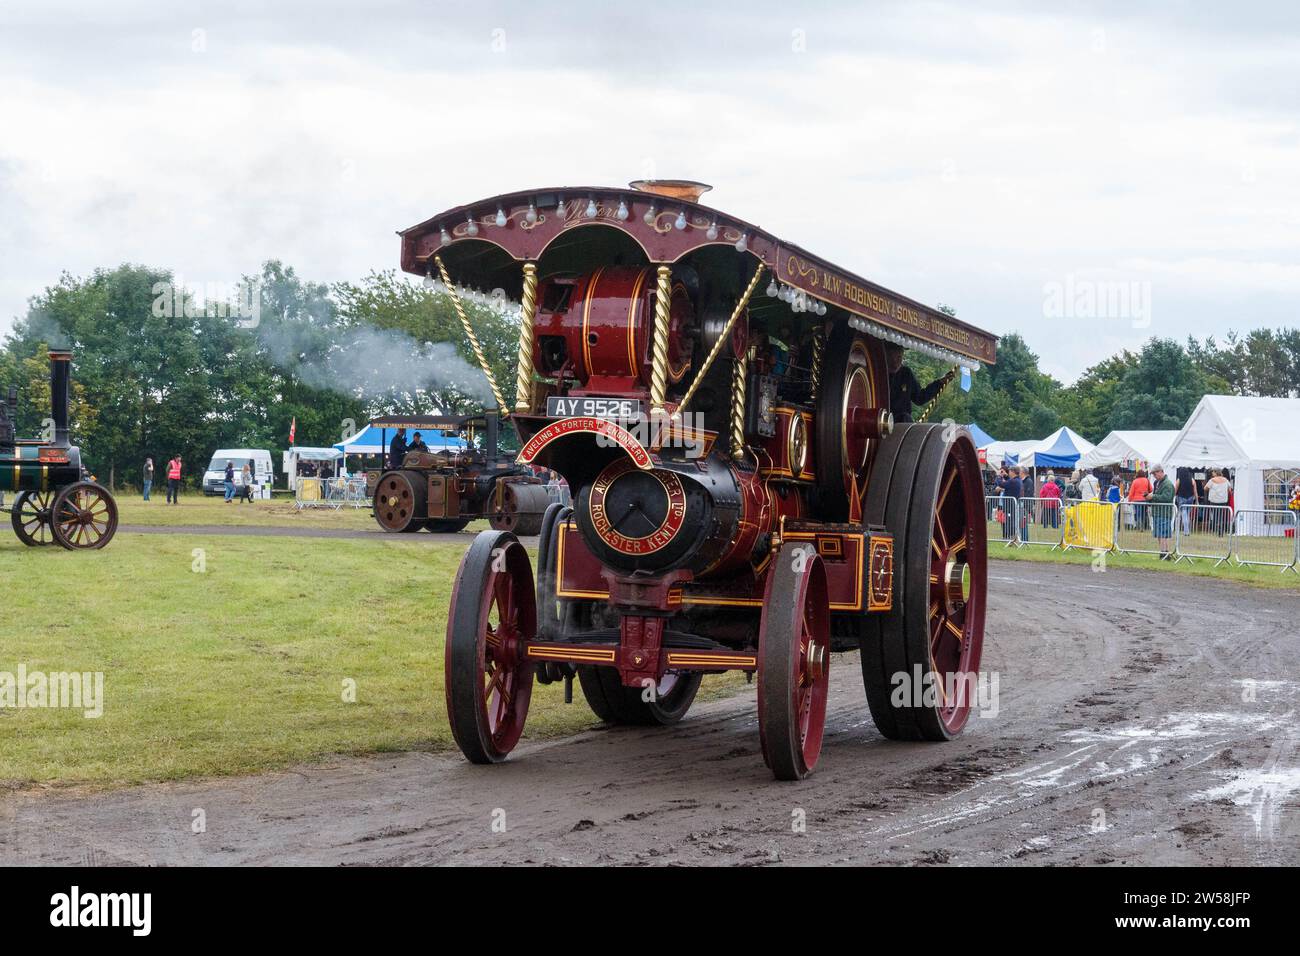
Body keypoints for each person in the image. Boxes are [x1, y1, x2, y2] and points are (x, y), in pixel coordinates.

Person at [884, 344, 955, 424]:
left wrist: (940, 383)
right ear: (885, 356)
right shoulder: (877, 373)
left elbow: (920, 398)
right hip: (882, 423)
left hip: (903, 425)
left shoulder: (906, 373)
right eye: (891, 357)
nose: (895, 362)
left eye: (898, 357)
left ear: (902, 356)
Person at [1146, 464, 1176, 559]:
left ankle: (1164, 553)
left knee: (1163, 534)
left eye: (1155, 474)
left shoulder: (1168, 484)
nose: (1154, 476)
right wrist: (1149, 496)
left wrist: (1153, 496)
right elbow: (1156, 494)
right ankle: (1163, 553)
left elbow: (1167, 498)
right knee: (1159, 534)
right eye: (1153, 474)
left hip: (1164, 512)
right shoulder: (1157, 483)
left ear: (1160, 471)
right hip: (1157, 512)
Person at [1204, 468, 1231, 535]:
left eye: (1213, 472)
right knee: (1221, 516)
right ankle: (1220, 530)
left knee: (1215, 515)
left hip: (1214, 500)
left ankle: (1215, 529)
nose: (1212, 473)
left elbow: (1205, 488)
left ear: (1216, 473)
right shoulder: (1226, 480)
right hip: (1223, 500)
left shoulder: (1212, 480)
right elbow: (1230, 489)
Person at [1174, 466, 1198, 536]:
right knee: (1187, 514)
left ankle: (1186, 531)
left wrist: (1173, 497)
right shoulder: (1192, 479)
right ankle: (1186, 530)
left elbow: (1175, 490)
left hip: (1181, 498)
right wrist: (1196, 500)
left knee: (1184, 514)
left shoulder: (1179, 479)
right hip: (1190, 498)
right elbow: (1195, 491)